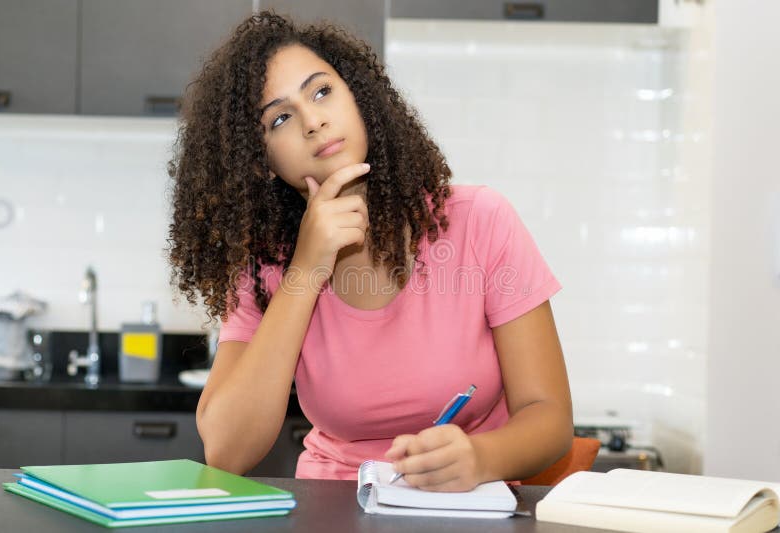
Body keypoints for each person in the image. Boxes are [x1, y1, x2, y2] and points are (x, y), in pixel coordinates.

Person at [167, 11, 573, 492]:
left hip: (467, 507)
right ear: (262, 163)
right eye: (280, 118)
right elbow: (227, 451)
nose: (313, 121)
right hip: (334, 508)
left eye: (321, 92)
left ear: (359, 96)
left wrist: (480, 457)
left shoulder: (480, 220)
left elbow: (550, 420)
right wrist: (306, 269)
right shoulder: (268, 266)